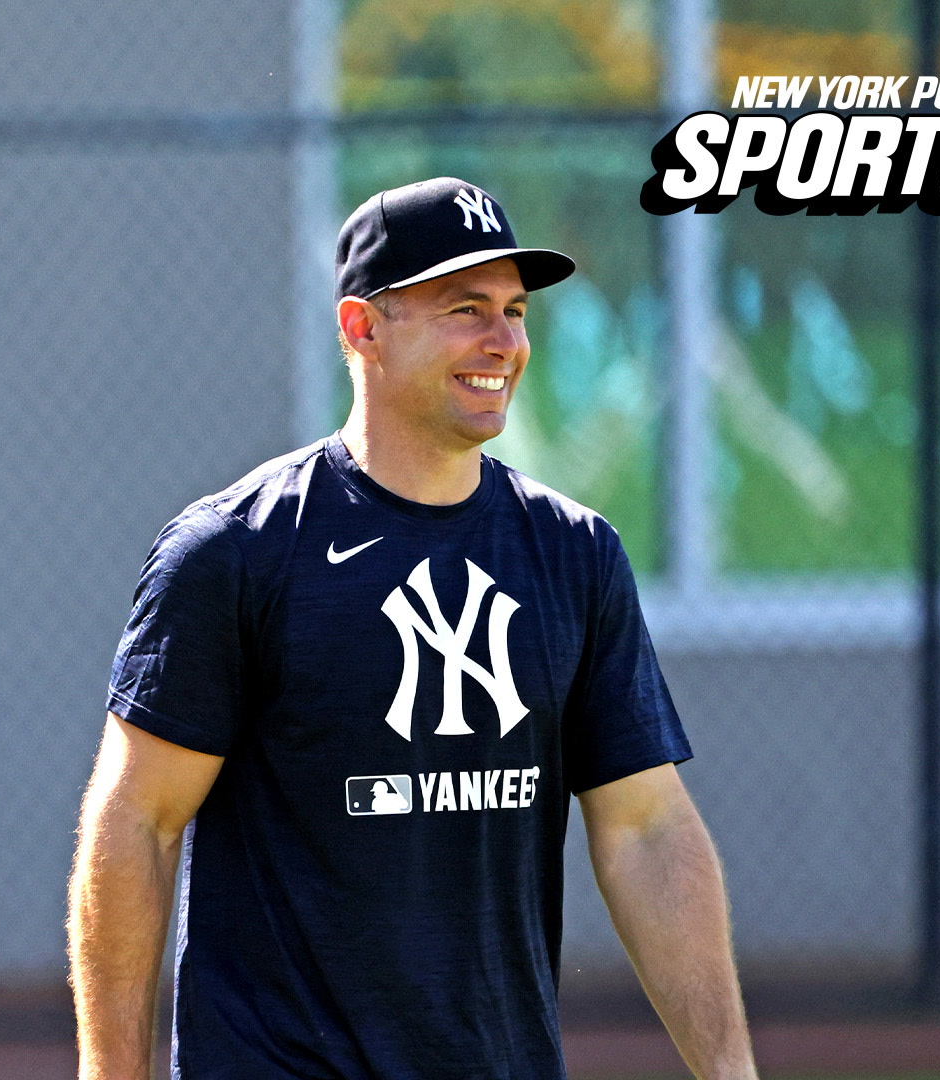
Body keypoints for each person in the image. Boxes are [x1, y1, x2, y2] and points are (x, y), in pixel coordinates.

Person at [68, 177, 757, 1080]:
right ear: (363, 329)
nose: (504, 341)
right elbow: (138, 825)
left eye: (515, 311)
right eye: (465, 309)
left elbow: (647, 829)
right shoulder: (236, 552)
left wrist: (732, 1073)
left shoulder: (575, 554)